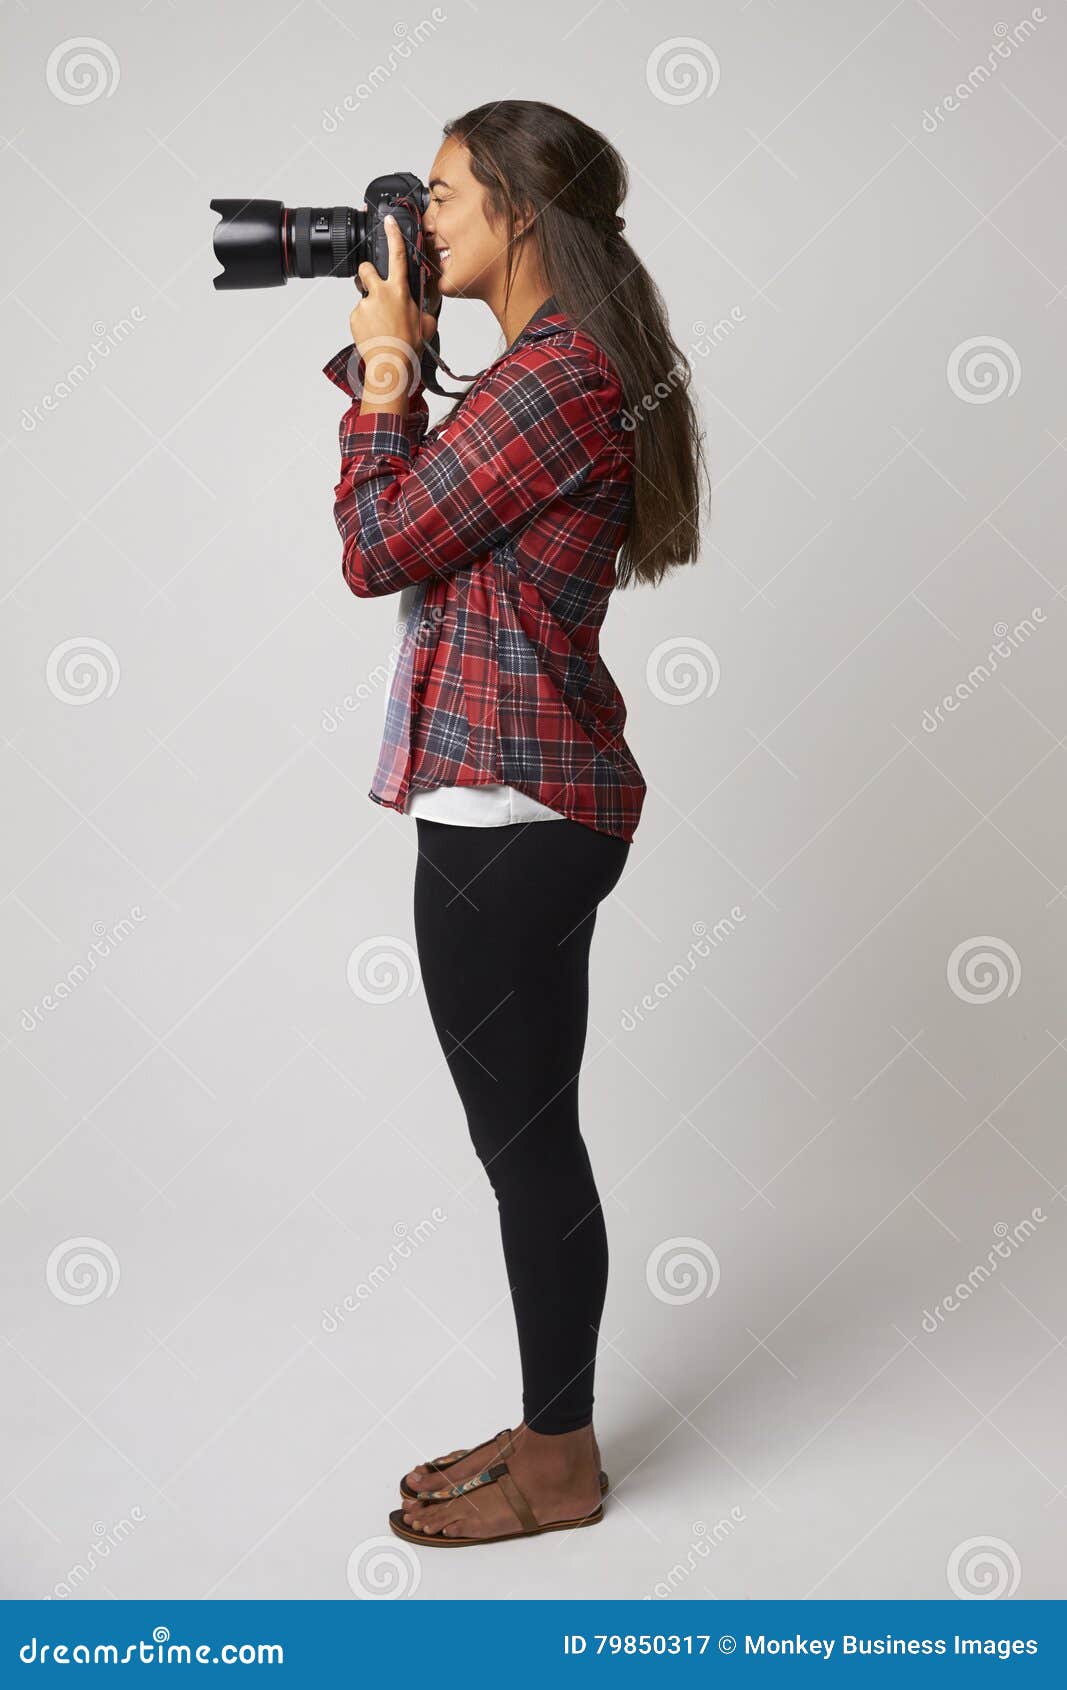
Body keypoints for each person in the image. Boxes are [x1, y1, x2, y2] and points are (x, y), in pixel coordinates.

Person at [323, 99, 707, 1547]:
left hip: (510, 815)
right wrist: (400, 351)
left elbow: (377, 546)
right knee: (531, 1139)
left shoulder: (555, 384)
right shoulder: (546, 371)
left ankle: (561, 1466)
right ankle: (557, 1429)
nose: (423, 222)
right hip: (519, 805)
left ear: (521, 215)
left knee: (528, 1147)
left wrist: (381, 378)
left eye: (443, 196)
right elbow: (428, 511)